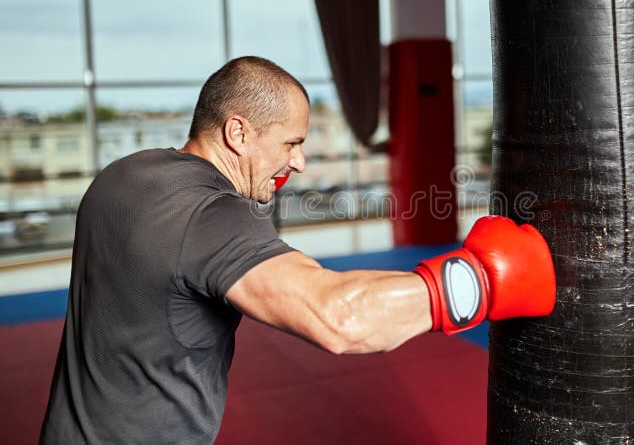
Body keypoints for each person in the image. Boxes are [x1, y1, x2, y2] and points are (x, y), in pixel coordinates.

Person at [39, 56, 556, 444]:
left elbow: (318, 281)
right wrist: (479, 281)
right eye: (290, 143)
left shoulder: (125, 174)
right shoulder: (210, 215)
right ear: (237, 132)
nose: (301, 161)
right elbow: (338, 318)